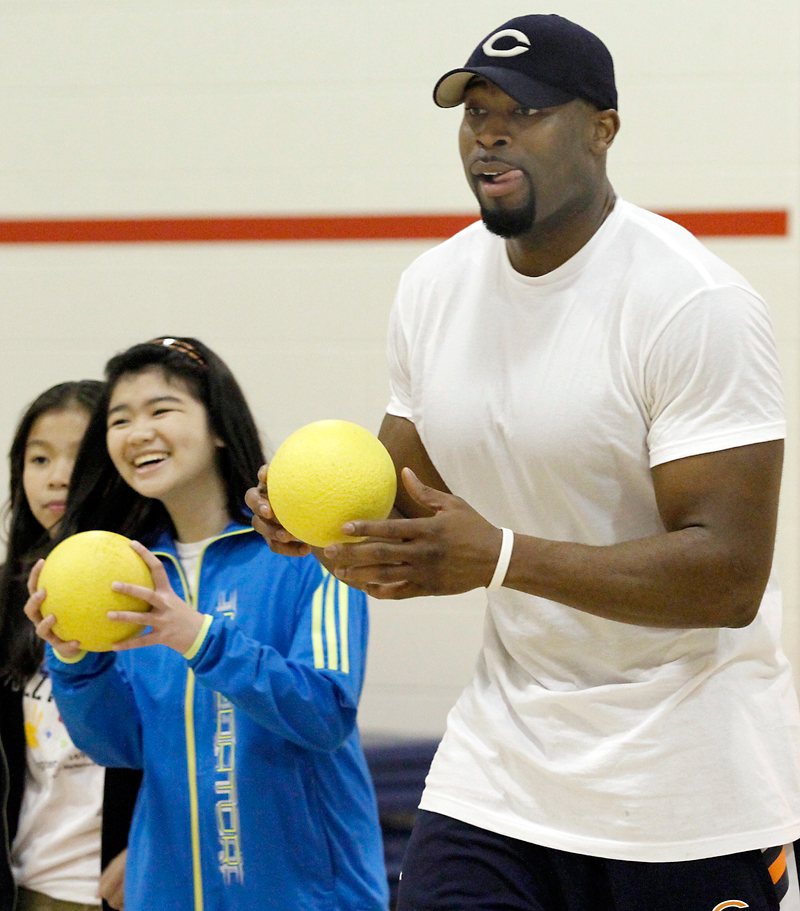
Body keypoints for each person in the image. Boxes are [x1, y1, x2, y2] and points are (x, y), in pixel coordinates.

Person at [246, 14, 800, 911]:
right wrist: (313, 525)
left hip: (685, 776)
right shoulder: (433, 287)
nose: (490, 131)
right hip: (502, 769)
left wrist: (500, 556)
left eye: (525, 110)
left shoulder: (693, 303)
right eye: (475, 111)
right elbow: (402, 501)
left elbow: (728, 575)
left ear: (602, 128)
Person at [24, 338, 388, 911]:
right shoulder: (133, 570)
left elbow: (325, 713)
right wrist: (75, 660)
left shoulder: (309, 553)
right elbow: (121, 746)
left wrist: (198, 637)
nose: (137, 432)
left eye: (161, 410)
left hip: (310, 897)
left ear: (218, 426)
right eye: (120, 419)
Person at [0, 380, 139, 911]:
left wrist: (153, 843)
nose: (57, 477)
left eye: (79, 458)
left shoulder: (157, 590)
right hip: (29, 885)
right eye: (38, 458)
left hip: (125, 887)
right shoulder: (7, 600)